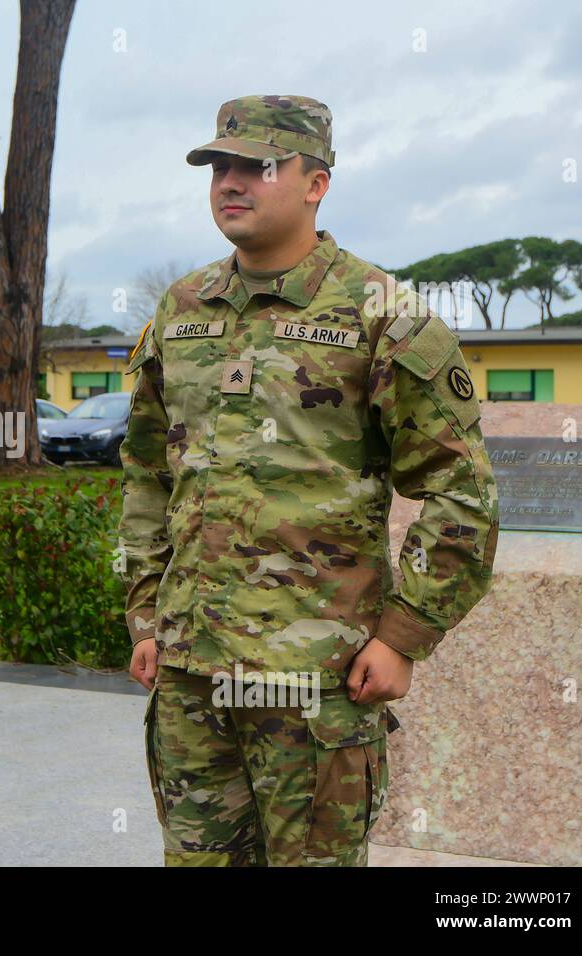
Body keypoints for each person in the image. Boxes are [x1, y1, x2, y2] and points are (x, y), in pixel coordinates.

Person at [118, 94, 499, 866]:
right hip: (192, 680)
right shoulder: (182, 308)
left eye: (258, 166)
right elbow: (149, 474)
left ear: (316, 182)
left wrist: (403, 637)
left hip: (315, 685)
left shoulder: (383, 315)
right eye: (220, 165)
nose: (231, 181)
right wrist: (146, 614)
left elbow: (463, 494)